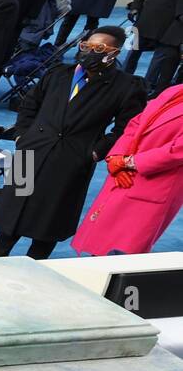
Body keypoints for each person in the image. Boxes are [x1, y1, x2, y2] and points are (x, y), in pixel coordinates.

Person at [0, 26, 146, 260]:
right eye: (87, 46)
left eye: (99, 48)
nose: (90, 52)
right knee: (13, 209)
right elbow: (30, 104)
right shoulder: (58, 73)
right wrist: (22, 135)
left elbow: (126, 129)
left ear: (113, 53)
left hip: (73, 157)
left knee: (51, 216)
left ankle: (36, 265)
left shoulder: (126, 86)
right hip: (32, 148)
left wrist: (95, 151)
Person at [73, 83, 183, 256]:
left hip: (155, 180)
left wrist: (128, 162)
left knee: (123, 254)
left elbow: (177, 151)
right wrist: (115, 157)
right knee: (98, 245)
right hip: (124, 173)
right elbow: (136, 123)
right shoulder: (174, 91)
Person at [128, 0, 183, 96]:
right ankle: (125, 80)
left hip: (177, 19)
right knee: (135, 48)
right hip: (155, 10)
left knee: (165, 54)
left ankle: (152, 88)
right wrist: (137, 4)